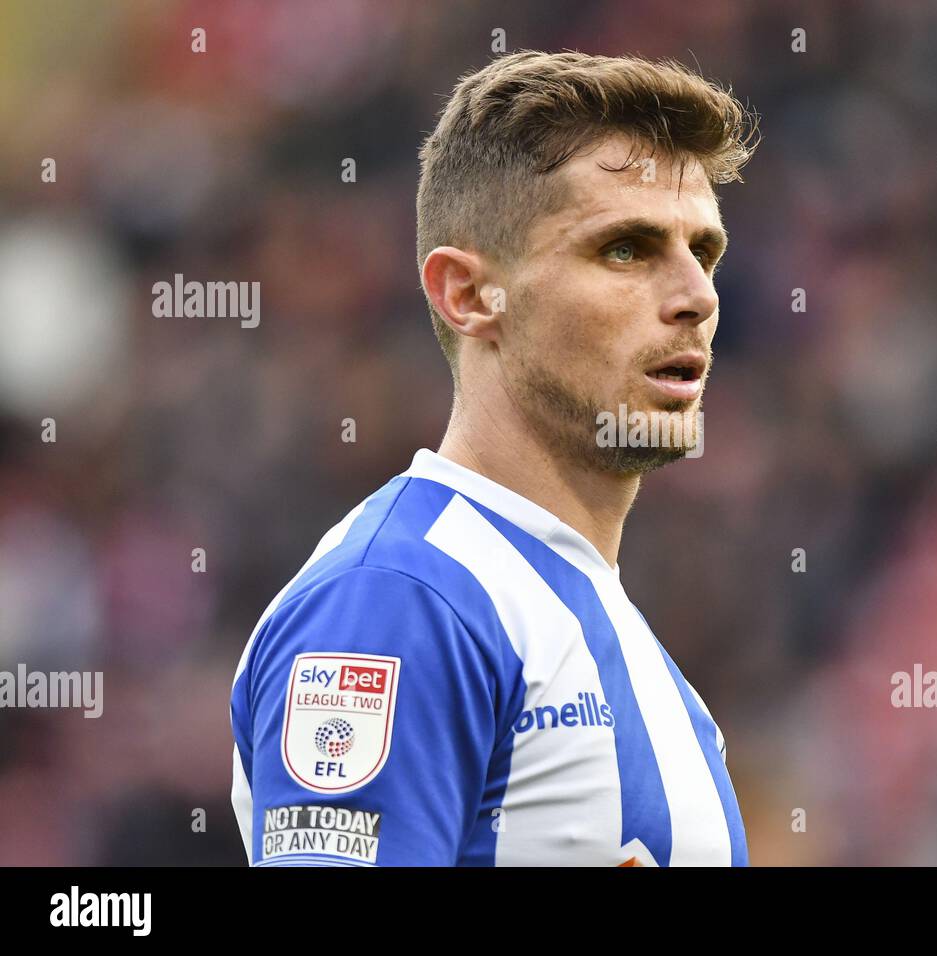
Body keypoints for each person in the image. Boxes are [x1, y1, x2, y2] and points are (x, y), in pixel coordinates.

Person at [229, 49, 758, 866]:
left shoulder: (618, 637)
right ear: (470, 296)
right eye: (626, 248)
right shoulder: (397, 601)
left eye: (705, 251)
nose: (697, 296)